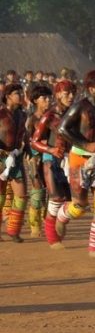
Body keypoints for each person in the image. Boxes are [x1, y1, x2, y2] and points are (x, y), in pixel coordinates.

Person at [56, 70, 95, 257]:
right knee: (79, 206)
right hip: (79, 158)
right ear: (91, 88)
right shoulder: (80, 106)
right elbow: (63, 129)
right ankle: (62, 215)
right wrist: (86, 144)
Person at [30, 79, 76, 248]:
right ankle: (52, 238)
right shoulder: (49, 116)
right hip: (51, 161)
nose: (71, 96)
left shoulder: (76, 114)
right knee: (56, 197)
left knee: (72, 202)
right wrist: (50, 150)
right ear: (58, 95)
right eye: (67, 93)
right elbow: (34, 141)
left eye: (73, 93)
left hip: (70, 160)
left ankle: (60, 222)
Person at [24, 83, 53, 237]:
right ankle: (35, 226)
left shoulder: (53, 117)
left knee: (52, 191)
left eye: (49, 97)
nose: (48, 100)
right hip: (35, 157)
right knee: (37, 190)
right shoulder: (32, 119)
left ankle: (48, 223)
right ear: (35, 100)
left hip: (52, 157)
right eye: (44, 98)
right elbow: (27, 141)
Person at [0, 83, 28, 241]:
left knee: (22, 194)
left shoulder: (22, 115)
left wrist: (28, 146)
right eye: (17, 93)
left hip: (16, 156)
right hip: (1, 157)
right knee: (0, 195)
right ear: (8, 96)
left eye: (21, 93)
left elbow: (24, 133)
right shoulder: (1, 114)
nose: (21, 96)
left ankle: (13, 230)